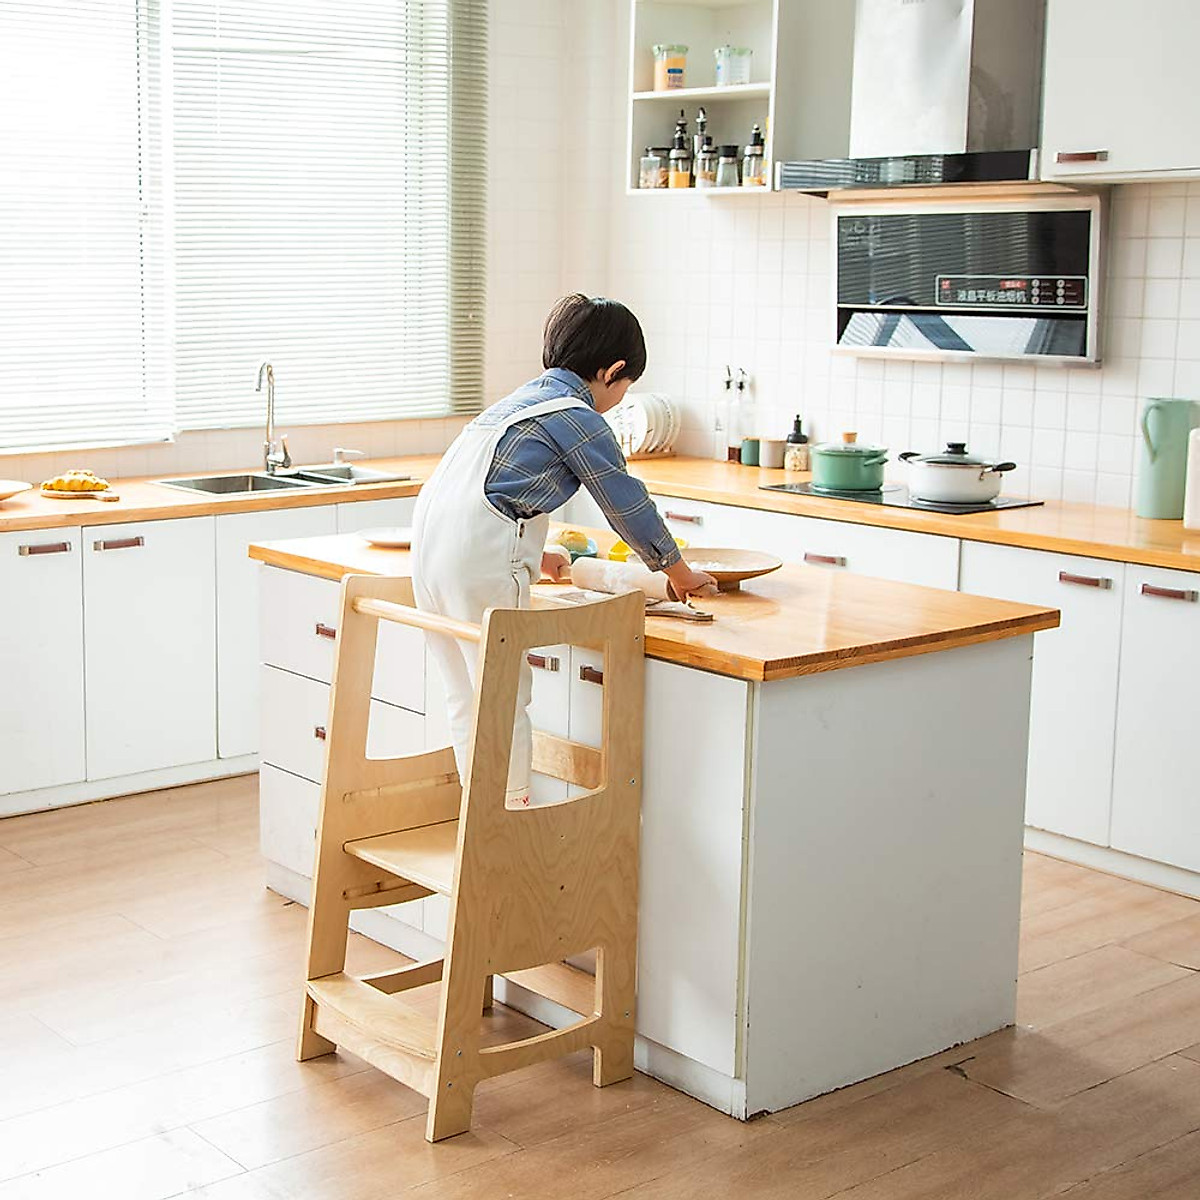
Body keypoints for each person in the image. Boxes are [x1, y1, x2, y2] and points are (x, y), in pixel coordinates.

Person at [413, 293, 716, 807]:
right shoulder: (576, 415)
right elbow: (625, 503)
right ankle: (506, 822)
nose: (620, 396)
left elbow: (500, 491)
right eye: (626, 386)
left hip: (430, 553)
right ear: (614, 370)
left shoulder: (514, 403)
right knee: (504, 694)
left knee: (465, 693)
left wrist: (536, 555)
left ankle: (478, 814)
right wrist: (680, 573)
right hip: (475, 561)